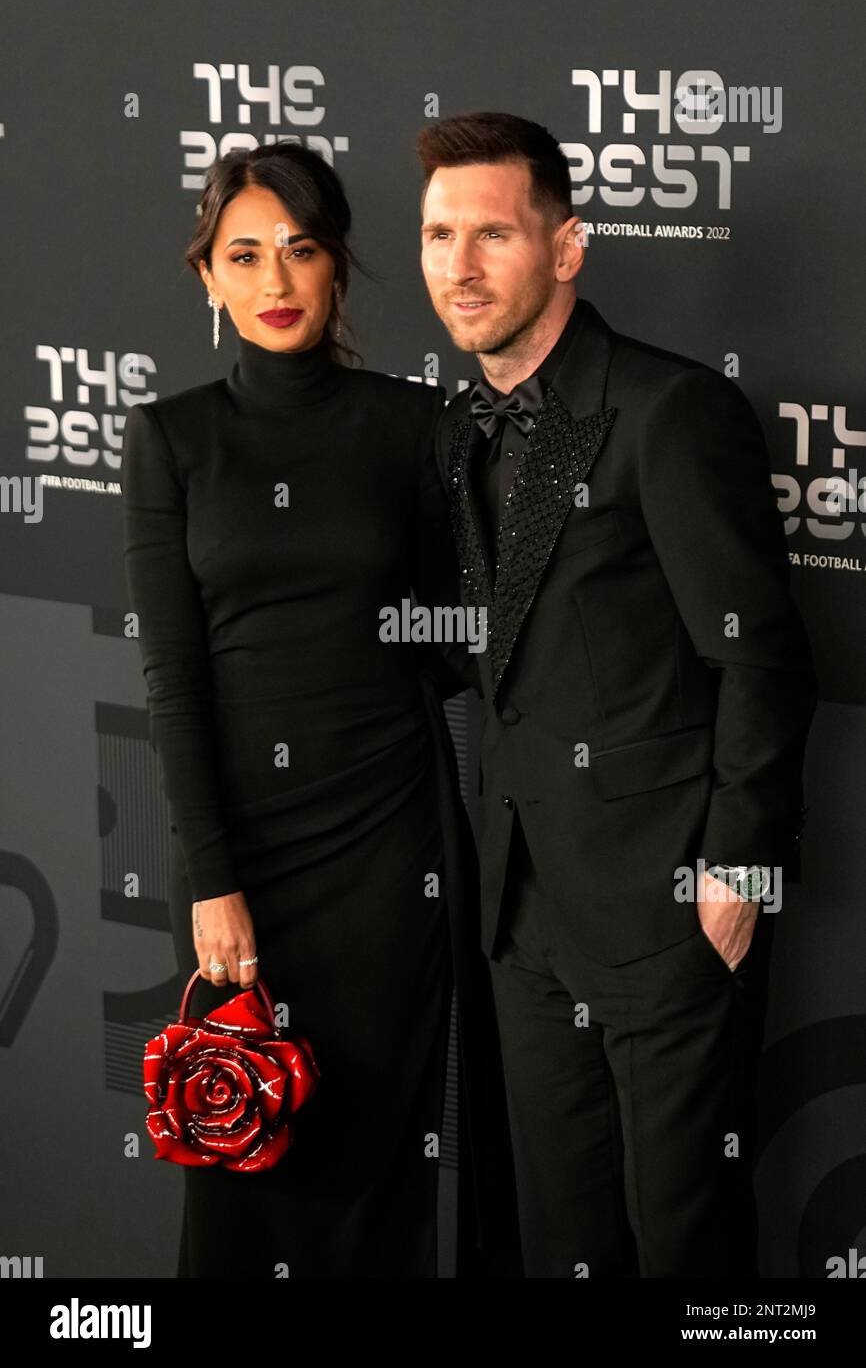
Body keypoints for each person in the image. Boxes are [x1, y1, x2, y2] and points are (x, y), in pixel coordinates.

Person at [416, 110, 819, 1277]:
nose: (459, 265)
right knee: (563, 1240)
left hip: (663, 904)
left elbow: (757, 654)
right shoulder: (456, 434)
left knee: (685, 1243)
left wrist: (736, 872)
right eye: (440, 235)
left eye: (491, 234)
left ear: (567, 246)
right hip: (519, 912)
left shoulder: (666, 411)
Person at [121, 141, 509, 1278]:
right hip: (243, 856)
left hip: (388, 842)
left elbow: (456, 637)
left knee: (373, 1153)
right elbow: (172, 678)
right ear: (208, 277)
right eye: (244, 255)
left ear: (337, 265)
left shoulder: (414, 425)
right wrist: (211, 879)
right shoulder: (173, 439)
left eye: (300, 249)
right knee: (246, 1147)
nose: (275, 279)